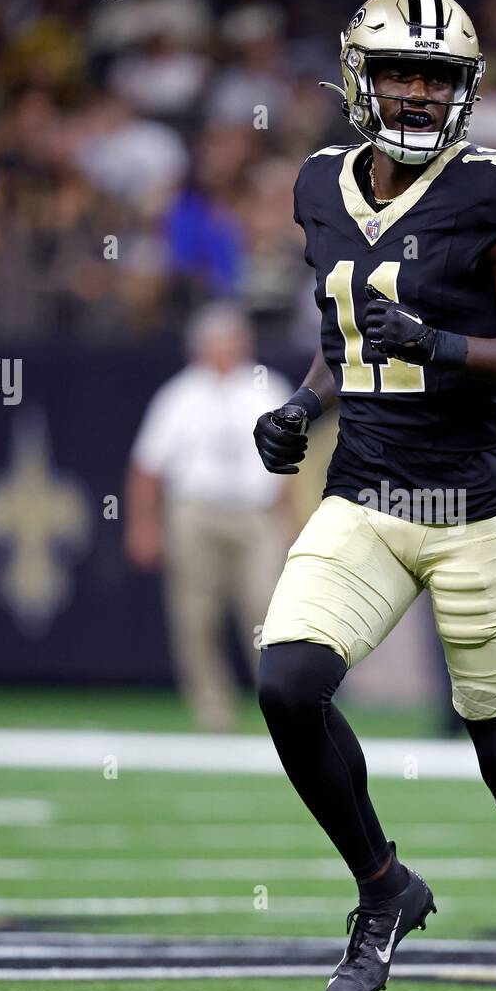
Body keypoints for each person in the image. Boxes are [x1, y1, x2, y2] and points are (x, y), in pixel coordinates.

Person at [253, 0, 496, 991]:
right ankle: (383, 883)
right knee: (286, 681)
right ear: (358, 77)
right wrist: (304, 404)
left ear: (464, 88)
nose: (414, 92)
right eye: (399, 72)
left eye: (435, 76)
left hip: (473, 511)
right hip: (364, 489)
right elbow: (347, 326)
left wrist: (443, 348)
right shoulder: (320, 183)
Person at [125, 301, 292, 729]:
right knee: (196, 614)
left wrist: (293, 519)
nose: (225, 349)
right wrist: (143, 525)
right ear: (199, 347)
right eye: (217, 342)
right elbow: (147, 467)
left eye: (231, 340)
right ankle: (212, 708)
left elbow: (292, 463)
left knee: (266, 608)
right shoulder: (180, 395)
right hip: (195, 513)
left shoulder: (266, 387)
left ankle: (278, 700)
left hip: (255, 515)